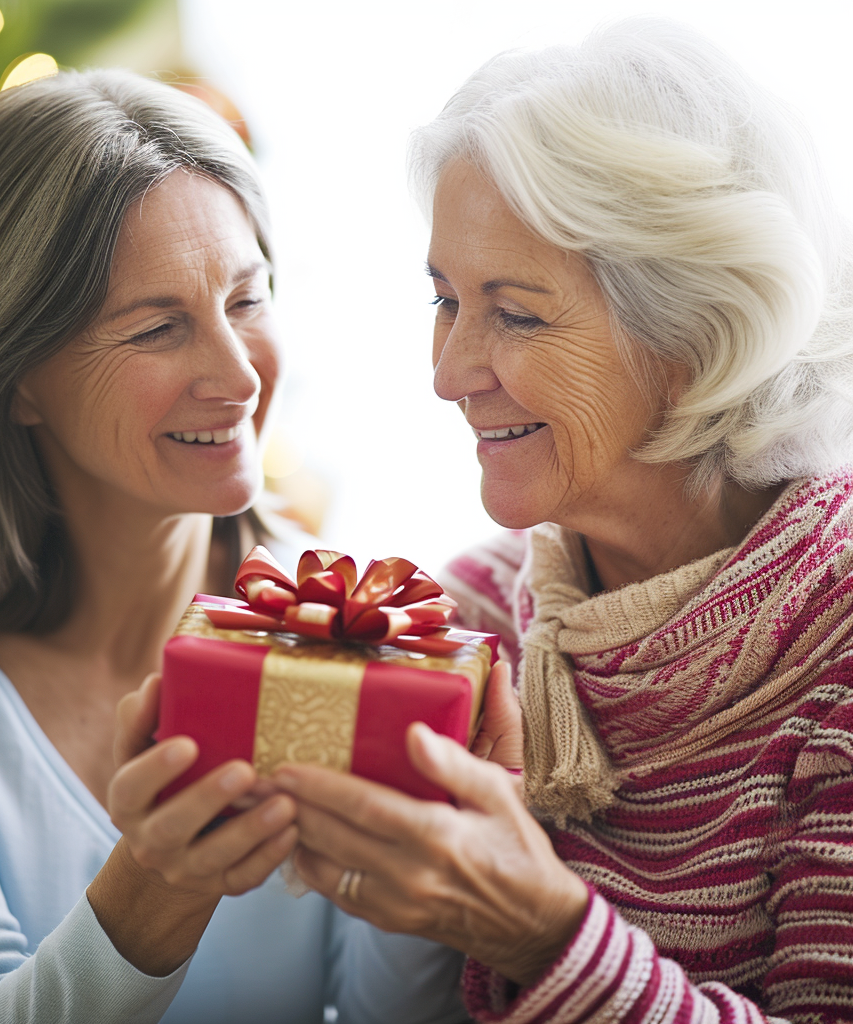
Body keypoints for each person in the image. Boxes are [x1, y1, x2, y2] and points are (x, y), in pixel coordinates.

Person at [0, 70, 470, 1024]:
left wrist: (428, 856)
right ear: (16, 379)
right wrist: (157, 888)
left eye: (247, 302)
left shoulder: (332, 629)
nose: (237, 374)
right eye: (160, 328)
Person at [272, 20, 853, 1024]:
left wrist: (543, 936)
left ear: (694, 333)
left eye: (517, 312)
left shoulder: (833, 649)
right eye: (444, 299)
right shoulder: (472, 613)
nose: (447, 373)